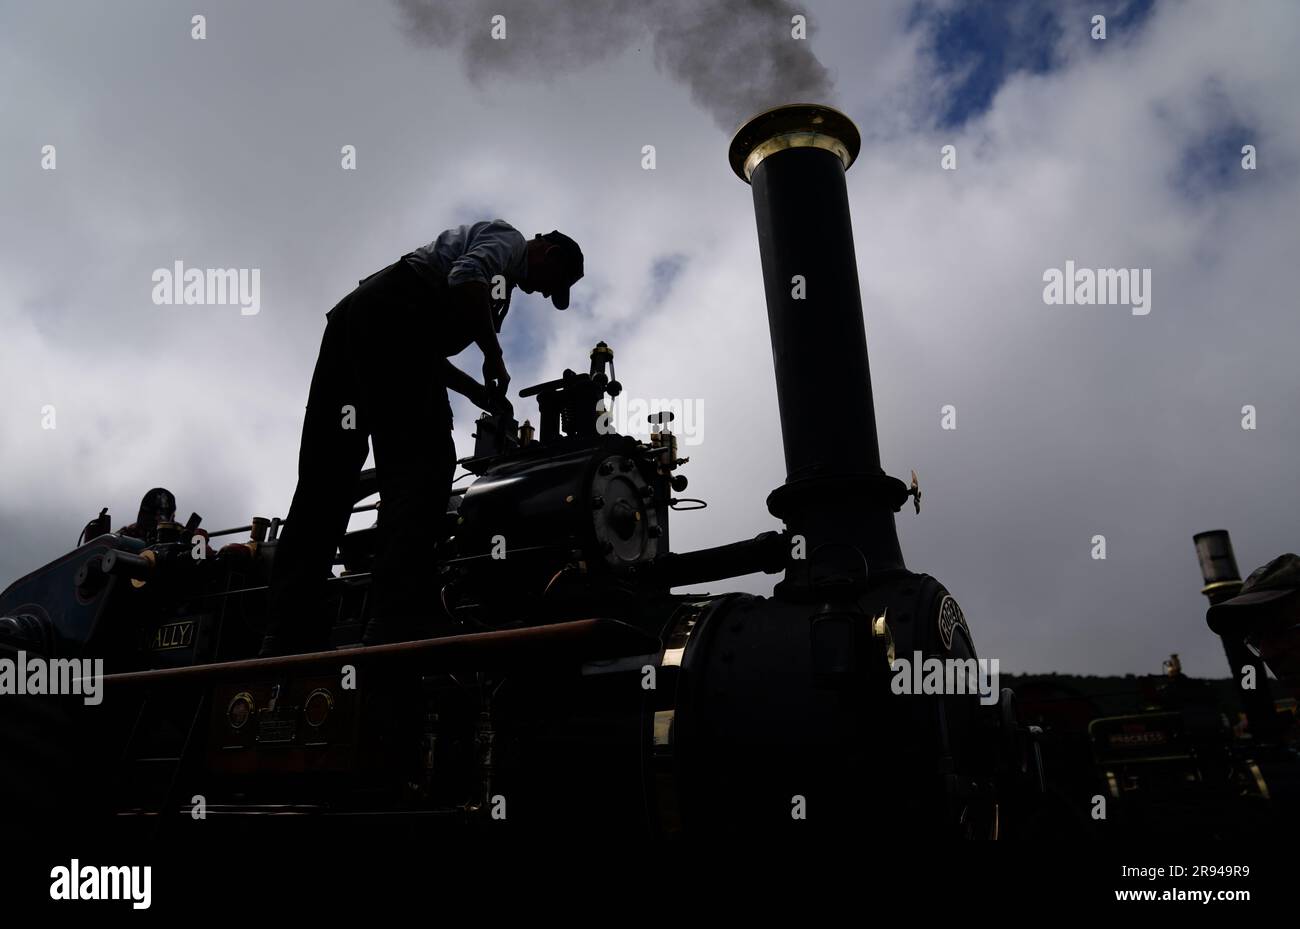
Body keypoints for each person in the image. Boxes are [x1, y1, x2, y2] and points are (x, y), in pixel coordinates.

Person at [260, 221, 584, 656]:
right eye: (552, 286)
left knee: (325, 482)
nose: (543, 294)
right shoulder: (507, 242)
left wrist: (476, 391)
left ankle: (287, 630)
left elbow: (419, 350)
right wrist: (494, 355)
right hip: (389, 323)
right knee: (424, 470)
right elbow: (461, 279)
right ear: (550, 253)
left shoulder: (478, 286)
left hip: (354, 326)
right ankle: (393, 620)